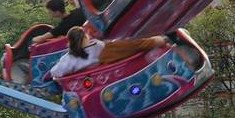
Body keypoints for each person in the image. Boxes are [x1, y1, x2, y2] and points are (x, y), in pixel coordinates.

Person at [49, 27, 179, 79]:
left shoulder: (70, 57)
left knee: (131, 44)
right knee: (135, 44)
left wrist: (73, 72)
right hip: (108, 62)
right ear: (84, 37)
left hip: (102, 71)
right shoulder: (95, 46)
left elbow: (55, 72)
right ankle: (164, 40)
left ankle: (162, 40)